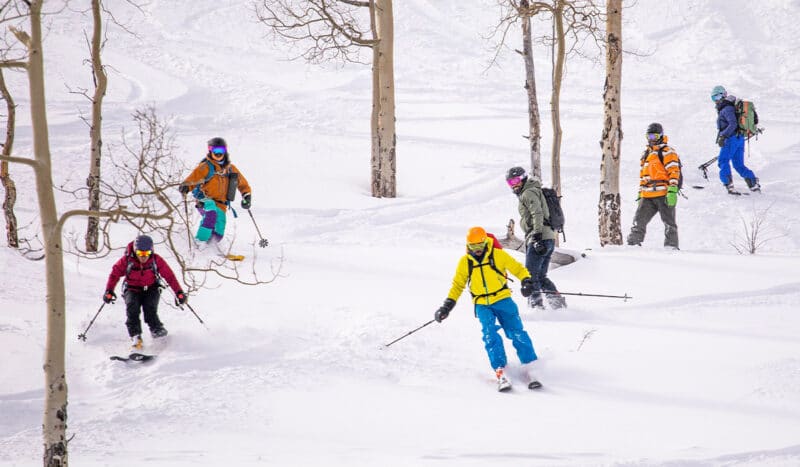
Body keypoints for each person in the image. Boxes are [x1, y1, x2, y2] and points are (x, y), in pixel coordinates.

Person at [434, 226, 542, 391]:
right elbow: (457, 285)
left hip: (503, 299)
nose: (477, 249)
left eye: (480, 245)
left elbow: (518, 269)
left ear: (486, 242)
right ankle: (500, 369)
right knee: (490, 335)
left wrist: (526, 281)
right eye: (473, 246)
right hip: (482, 304)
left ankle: (530, 367)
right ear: (468, 246)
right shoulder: (465, 262)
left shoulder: (498, 255)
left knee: (516, 332)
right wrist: (447, 306)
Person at [103, 235, 187, 350]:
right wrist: (109, 290)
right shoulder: (127, 260)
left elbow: (169, 276)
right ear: (135, 251)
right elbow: (114, 274)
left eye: (146, 253)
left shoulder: (156, 260)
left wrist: (179, 292)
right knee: (132, 310)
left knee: (150, 310)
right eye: (140, 253)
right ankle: (136, 338)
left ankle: (158, 333)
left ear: (151, 251)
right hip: (132, 289)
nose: (143, 257)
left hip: (151, 288)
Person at [505, 166, 566, 309]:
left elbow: (537, 213)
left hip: (539, 238)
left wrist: (537, 236)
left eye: (515, 181)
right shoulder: (533, 190)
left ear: (523, 178)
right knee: (541, 277)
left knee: (531, 276)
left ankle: (536, 307)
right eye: (510, 183)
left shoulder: (528, 192)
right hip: (548, 237)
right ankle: (558, 306)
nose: (513, 185)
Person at [179, 137, 253, 245]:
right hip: (205, 200)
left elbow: (243, 184)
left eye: (221, 150)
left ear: (225, 151)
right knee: (211, 213)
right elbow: (193, 179)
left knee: (219, 231)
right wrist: (186, 186)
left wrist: (247, 196)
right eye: (215, 150)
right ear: (210, 150)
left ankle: (210, 246)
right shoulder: (205, 167)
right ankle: (200, 242)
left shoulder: (231, 169)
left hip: (221, 205)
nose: (218, 154)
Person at [626, 123, 681, 250]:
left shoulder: (667, 152)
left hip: (663, 193)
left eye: (654, 136)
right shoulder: (646, 154)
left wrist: (672, 189)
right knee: (638, 220)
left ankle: (671, 246)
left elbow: (674, 171)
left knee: (669, 222)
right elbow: (643, 175)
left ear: (661, 136)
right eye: (649, 136)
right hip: (647, 194)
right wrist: (640, 192)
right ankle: (632, 244)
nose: (651, 139)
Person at [711, 85, 761, 195]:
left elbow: (732, 124)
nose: (715, 100)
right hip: (739, 138)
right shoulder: (731, 106)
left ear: (724, 95)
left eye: (717, 97)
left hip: (731, 139)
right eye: (713, 98)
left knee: (723, 160)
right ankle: (753, 183)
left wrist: (723, 136)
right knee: (738, 165)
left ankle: (728, 184)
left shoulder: (726, 108)